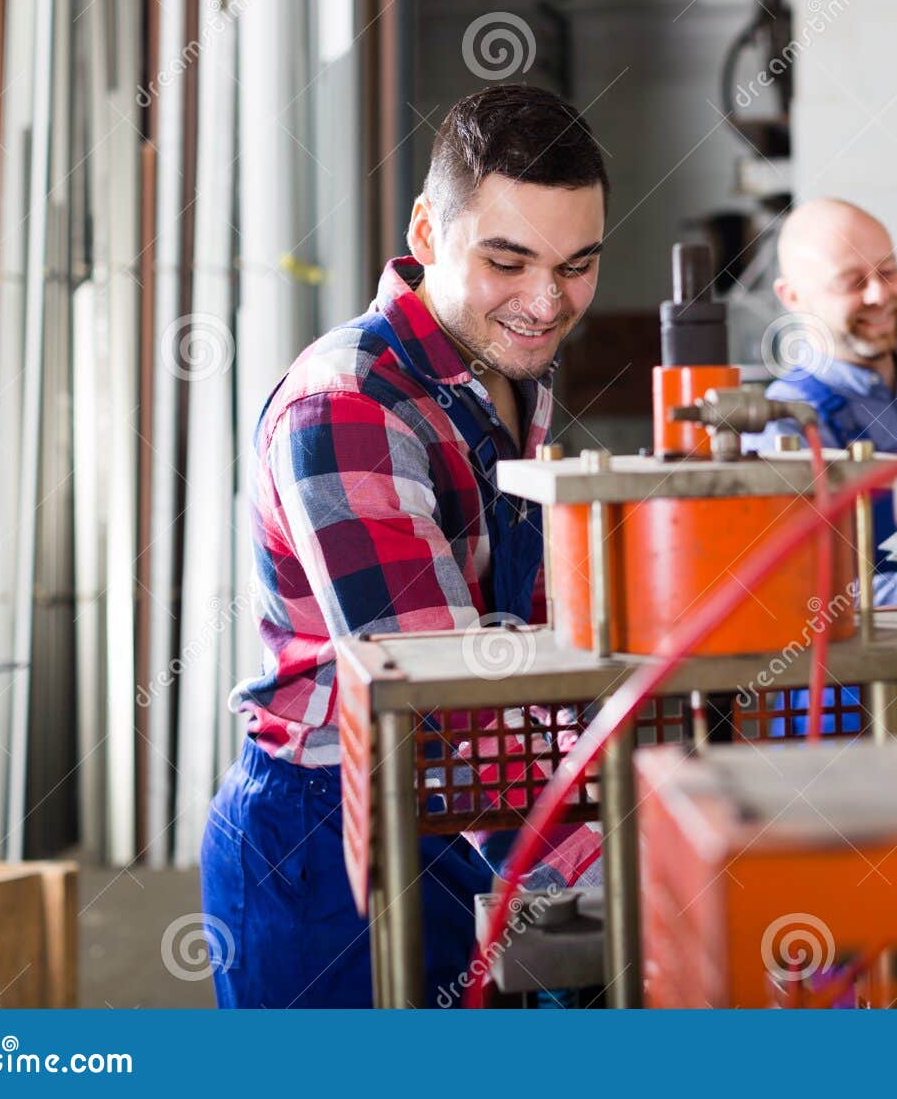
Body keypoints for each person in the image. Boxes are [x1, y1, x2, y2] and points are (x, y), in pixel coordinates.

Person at [201, 84, 608, 1008]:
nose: (546, 302)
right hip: (324, 845)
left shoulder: (501, 370)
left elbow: (511, 640)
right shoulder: (348, 405)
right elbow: (447, 705)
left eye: (577, 264)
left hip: (463, 811)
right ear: (427, 233)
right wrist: (611, 876)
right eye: (508, 259)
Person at [754, 197, 897, 605]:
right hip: (871, 664)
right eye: (853, 282)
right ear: (792, 297)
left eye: (888, 272)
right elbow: (800, 596)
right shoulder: (784, 423)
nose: (879, 294)